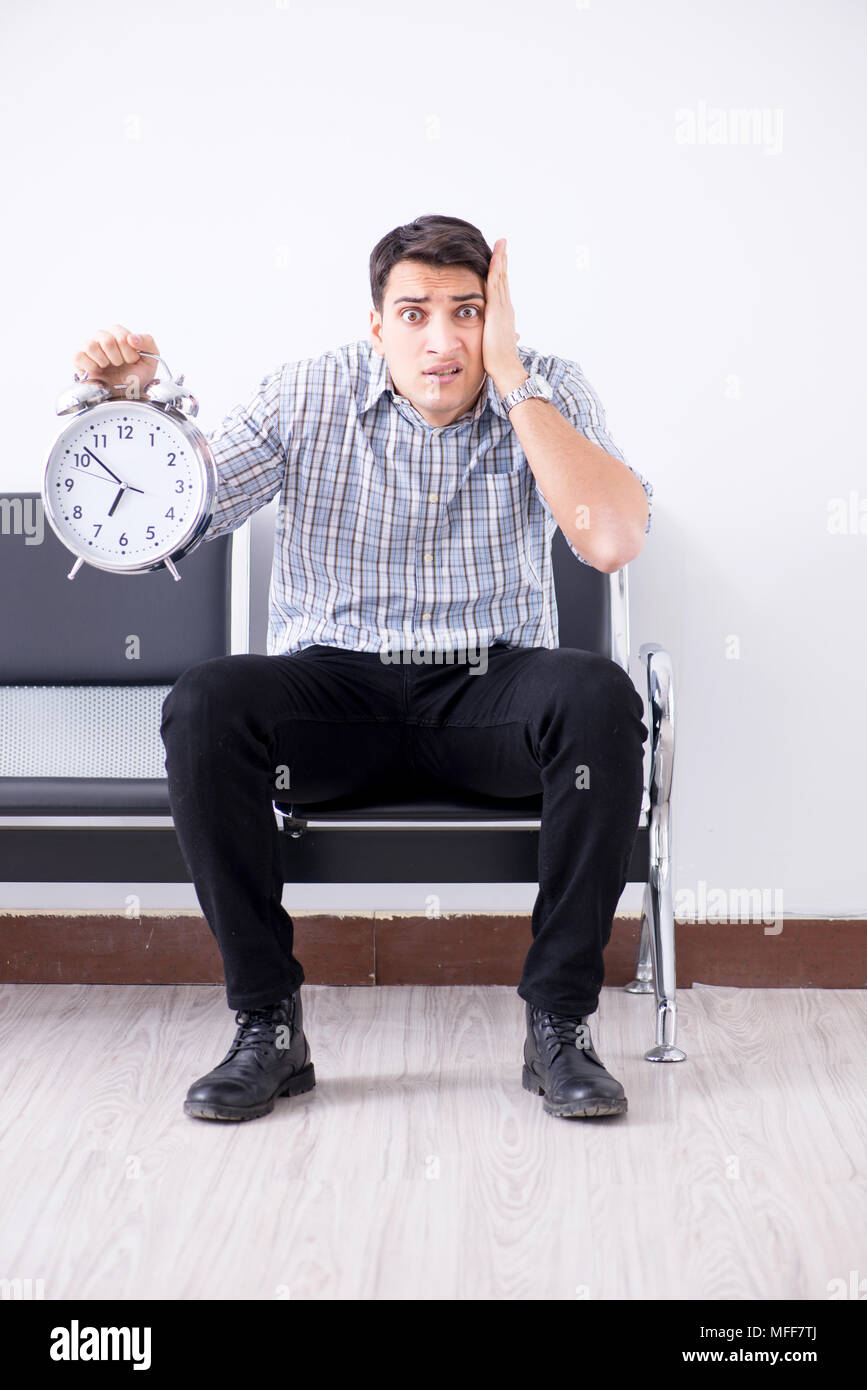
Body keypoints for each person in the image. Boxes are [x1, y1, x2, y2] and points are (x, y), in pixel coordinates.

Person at [72, 213, 652, 1124]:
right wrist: (133, 413)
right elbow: (175, 524)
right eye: (414, 313)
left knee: (597, 694)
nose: (441, 340)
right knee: (208, 701)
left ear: (494, 319)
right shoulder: (305, 393)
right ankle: (267, 1025)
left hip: (490, 694)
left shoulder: (542, 386)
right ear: (376, 324)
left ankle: (558, 1025)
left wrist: (513, 380)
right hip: (334, 695)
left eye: (467, 312)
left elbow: (611, 539)